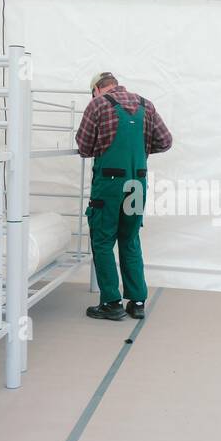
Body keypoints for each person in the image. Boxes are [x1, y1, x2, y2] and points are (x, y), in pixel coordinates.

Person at [75, 72, 172, 320]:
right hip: (137, 183)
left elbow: (84, 147)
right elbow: (165, 141)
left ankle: (111, 303)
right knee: (129, 239)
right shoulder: (146, 105)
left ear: (97, 89)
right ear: (116, 85)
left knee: (103, 240)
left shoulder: (97, 105)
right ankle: (137, 301)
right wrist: (142, 149)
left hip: (109, 186)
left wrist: (102, 146)